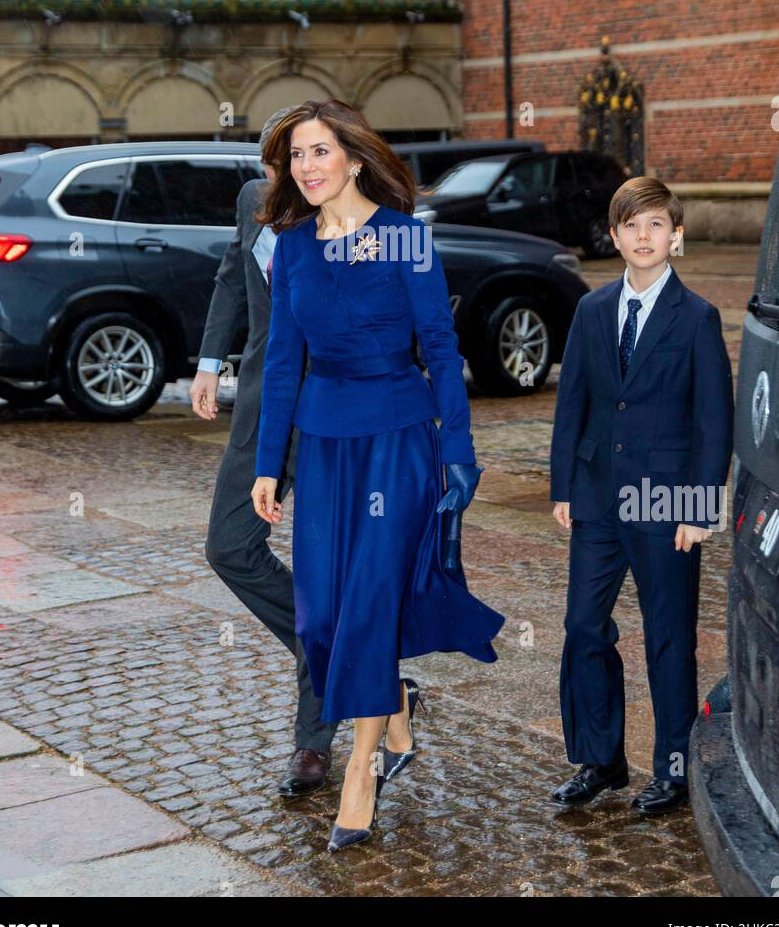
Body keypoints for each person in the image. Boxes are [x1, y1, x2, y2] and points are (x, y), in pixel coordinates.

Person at [250, 99, 504, 851]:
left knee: (366, 604)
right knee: (321, 616)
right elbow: (281, 360)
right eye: (297, 156)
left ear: (355, 159)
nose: (307, 167)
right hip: (324, 443)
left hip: (397, 437)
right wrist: (271, 465)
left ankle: (362, 770)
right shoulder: (290, 244)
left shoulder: (405, 241)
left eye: (320, 152)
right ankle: (391, 702)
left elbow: (440, 346)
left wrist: (458, 449)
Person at [549, 175, 733, 815]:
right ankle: (601, 761)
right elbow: (572, 400)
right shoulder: (592, 311)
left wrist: (700, 509)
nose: (644, 236)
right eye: (631, 225)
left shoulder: (698, 319)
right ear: (616, 235)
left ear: (676, 237)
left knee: (668, 639)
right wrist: (564, 485)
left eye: (656, 224)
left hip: (666, 505)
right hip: (598, 497)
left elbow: (715, 421)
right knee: (582, 626)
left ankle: (675, 772)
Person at [193, 108, 338, 798]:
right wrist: (206, 361)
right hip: (260, 406)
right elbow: (231, 277)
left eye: (311, 158)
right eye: (284, 163)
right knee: (229, 546)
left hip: (330, 416)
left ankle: (312, 744)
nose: (298, 174)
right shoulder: (254, 202)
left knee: (317, 570)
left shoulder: (348, 217)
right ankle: (344, 659)